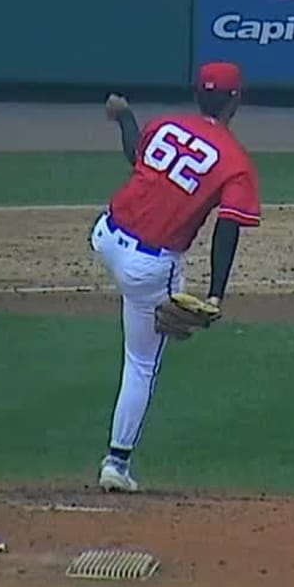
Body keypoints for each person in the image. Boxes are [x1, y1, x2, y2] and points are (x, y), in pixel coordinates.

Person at [90, 62, 262, 493]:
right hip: (147, 268)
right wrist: (216, 295)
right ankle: (116, 463)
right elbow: (228, 226)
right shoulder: (235, 162)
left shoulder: (166, 125)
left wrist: (124, 116)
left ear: (197, 95)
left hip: (106, 235)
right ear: (236, 101)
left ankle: (166, 307)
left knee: (160, 301)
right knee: (142, 362)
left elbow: (136, 153)